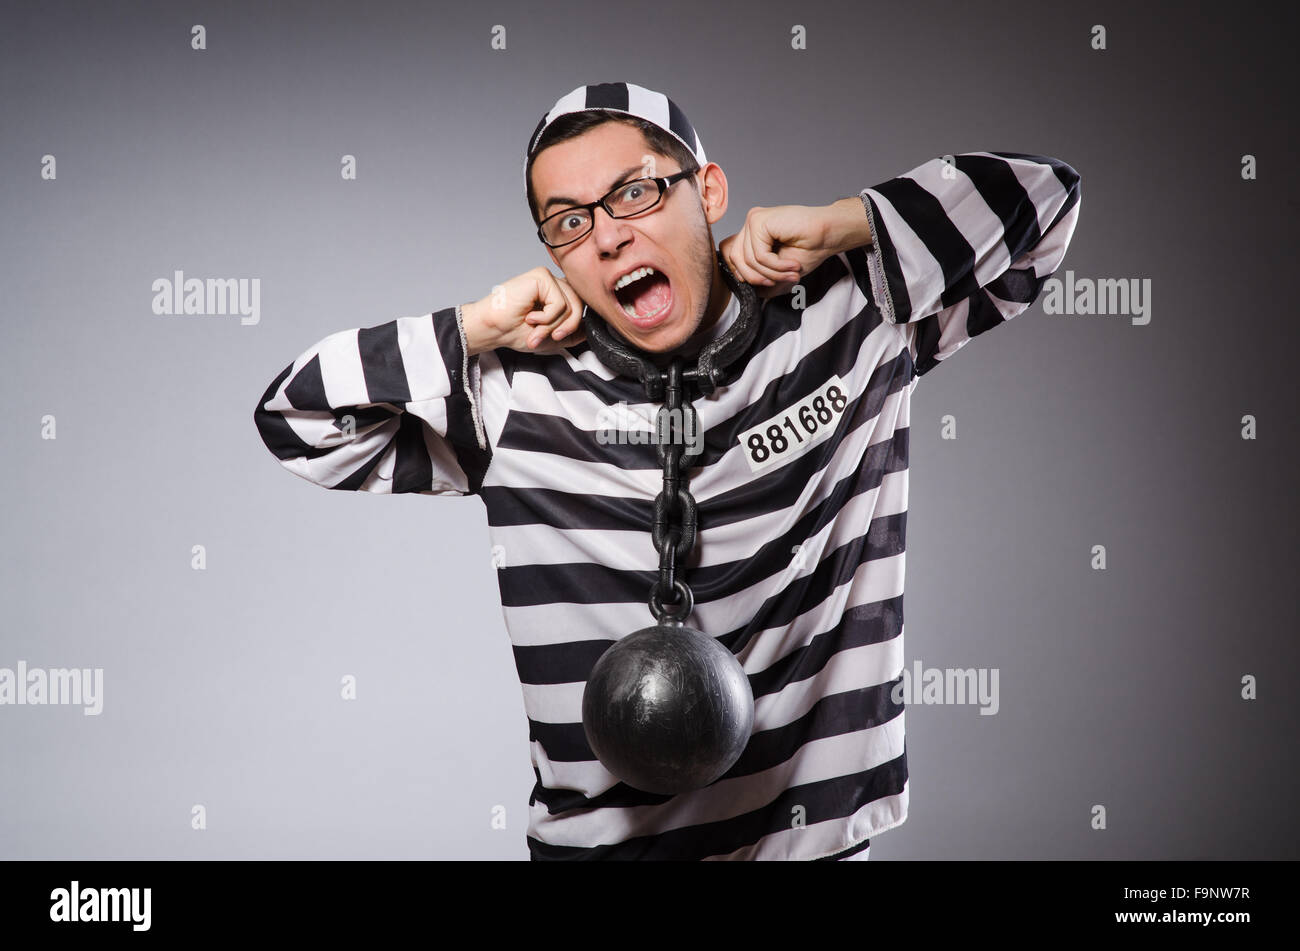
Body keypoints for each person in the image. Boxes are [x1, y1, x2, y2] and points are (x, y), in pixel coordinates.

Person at [253, 81, 1081, 861]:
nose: (609, 234)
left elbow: (1043, 206)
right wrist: (473, 325)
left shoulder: (853, 315)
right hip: (605, 849)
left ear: (709, 192)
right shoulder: (514, 392)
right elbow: (299, 421)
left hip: (813, 840)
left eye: (636, 193)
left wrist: (848, 223)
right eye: (568, 222)